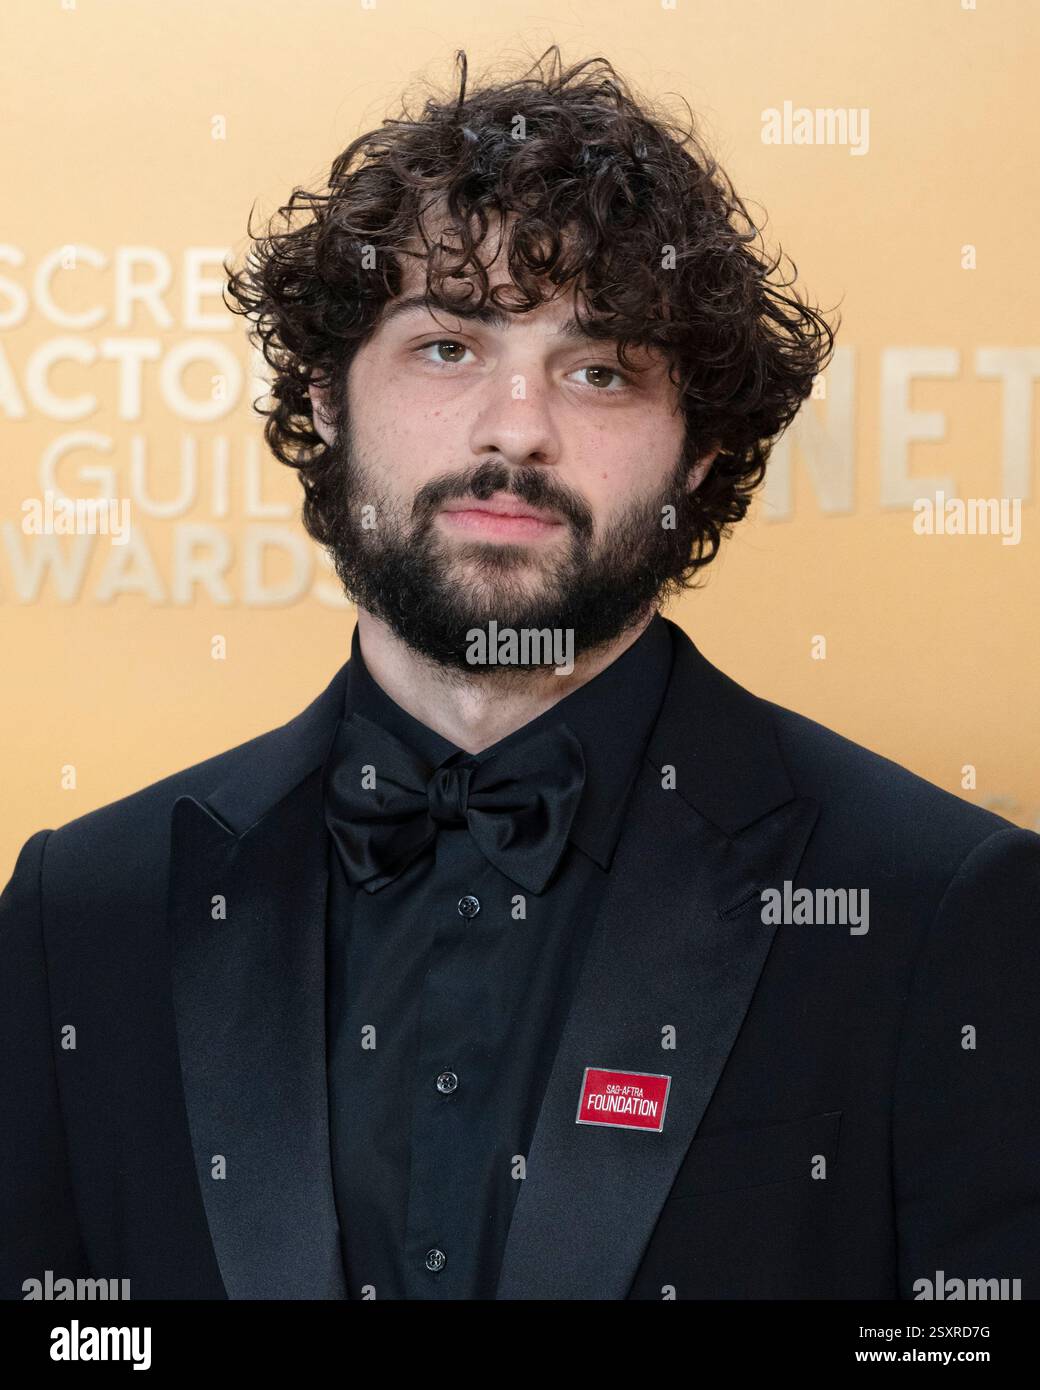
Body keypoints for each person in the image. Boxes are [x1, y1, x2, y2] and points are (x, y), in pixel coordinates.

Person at [2, 48, 1038, 1302]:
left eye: (597, 369)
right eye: (447, 347)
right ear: (327, 395)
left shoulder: (932, 905)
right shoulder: (85, 910)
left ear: (699, 454)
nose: (515, 426)